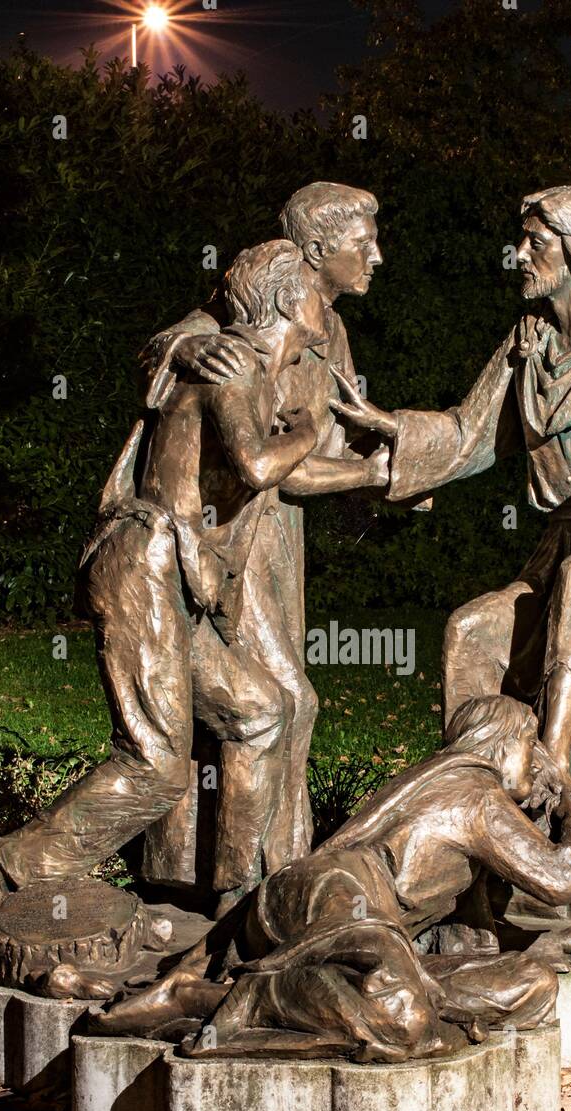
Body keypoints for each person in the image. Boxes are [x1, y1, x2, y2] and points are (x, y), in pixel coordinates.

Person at [0, 240, 379, 915]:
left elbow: (275, 469)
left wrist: (371, 472)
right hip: (144, 568)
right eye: (311, 288)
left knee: (260, 711)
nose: (323, 305)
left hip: (176, 582)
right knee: (155, 765)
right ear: (280, 296)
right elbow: (258, 466)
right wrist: (307, 425)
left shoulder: (256, 367)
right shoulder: (233, 360)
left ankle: (239, 899)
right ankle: (3, 869)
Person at [332, 186, 571, 803]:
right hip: (560, 553)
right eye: (523, 240)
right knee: (471, 627)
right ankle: (475, 787)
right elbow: (467, 434)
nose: (520, 255)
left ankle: (551, 765)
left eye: (536, 242)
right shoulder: (529, 341)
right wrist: (393, 426)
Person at [94, 694, 571, 1062]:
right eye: (533, 746)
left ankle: (281, 994)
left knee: (533, 986)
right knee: (407, 1023)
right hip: (337, 893)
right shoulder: (475, 793)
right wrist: (570, 805)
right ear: (503, 745)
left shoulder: (449, 786)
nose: (540, 762)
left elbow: (471, 938)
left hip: (329, 908)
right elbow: (568, 877)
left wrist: (538, 951)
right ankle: (217, 1000)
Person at [137, 183, 388, 886]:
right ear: (315, 251)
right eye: (360, 242)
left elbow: (321, 441)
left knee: (269, 702)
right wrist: (191, 348)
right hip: (224, 525)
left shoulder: (329, 332)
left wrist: (376, 471)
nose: (375, 254)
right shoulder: (261, 299)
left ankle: (264, 867)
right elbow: (169, 343)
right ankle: (233, 879)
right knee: (262, 703)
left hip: (275, 529)